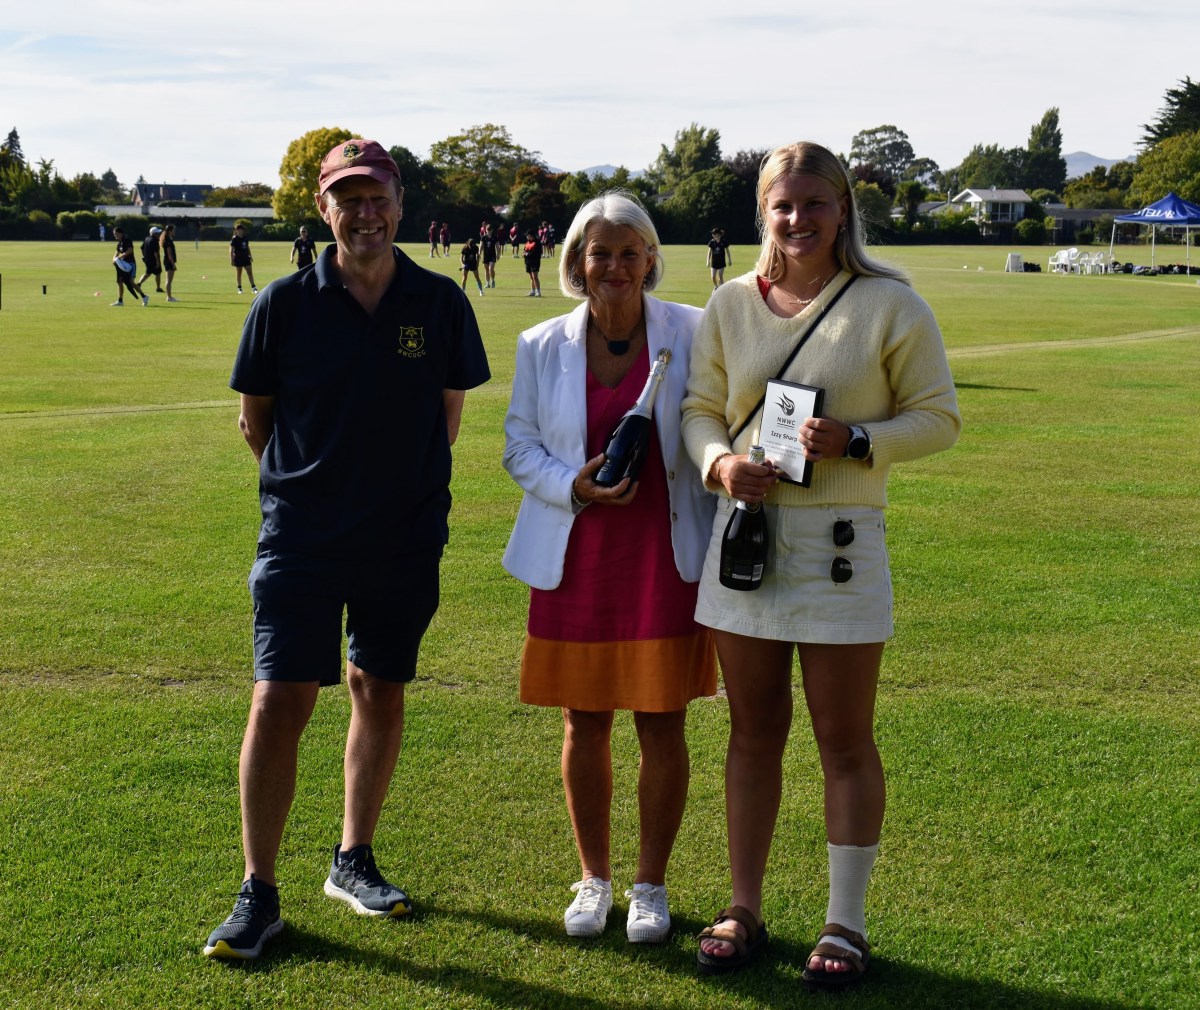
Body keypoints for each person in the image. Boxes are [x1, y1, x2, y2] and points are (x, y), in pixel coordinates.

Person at [682, 141, 961, 986]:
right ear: (760, 214)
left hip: (842, 547)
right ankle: (744, 906)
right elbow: (699, 410)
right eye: (782, 205)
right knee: (751, 734)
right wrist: (721, 465)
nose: (797, 219)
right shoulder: (729, 303)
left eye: (814, 204)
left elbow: (939, 417)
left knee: (844, 743)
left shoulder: (889, 305)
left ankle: (846, 924)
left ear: (844, 210)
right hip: (748, 541)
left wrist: (859, 440)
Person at [204, 138, 491, 962]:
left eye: (378, 198)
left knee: (379, 686)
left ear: (400, 205)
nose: (365, 214)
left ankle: (352, 859)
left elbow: (446, 415)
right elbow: (254, 420)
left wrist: (400, 495)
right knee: (279, 699)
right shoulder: (285, 303)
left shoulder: (439, 303)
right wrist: (310, 489)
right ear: (324, 209)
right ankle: (258, 891)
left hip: (402, 537)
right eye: (348, 199)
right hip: (301, 535)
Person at [502, 191, 717, 945]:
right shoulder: (541, 344)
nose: (616, 267)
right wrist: (574, 485)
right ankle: (593, 879)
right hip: (577, 556)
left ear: (652, 258)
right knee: (583, 722)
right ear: (576, 263)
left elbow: (719, 417)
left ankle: (650, 886)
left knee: (663, 722)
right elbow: (519, 446)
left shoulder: (693, 329)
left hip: (664, 556)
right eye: (601, 253)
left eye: (630, 252)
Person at [110, 226, 148, 306]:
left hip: (130, 264)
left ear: (121, 233)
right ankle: (120, 301)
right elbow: (116, 252)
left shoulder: (127, 240)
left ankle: (144, 297)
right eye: (114, 234)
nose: (115, 236)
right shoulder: (119, 242)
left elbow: (130, 251)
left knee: (131, 282)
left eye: (116, 234)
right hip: (122, 265)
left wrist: (119, 257)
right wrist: (114, 259)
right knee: (120, 282)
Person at [230, 223, 258, 294]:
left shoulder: (245, 238)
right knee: (239, 273)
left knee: (250, 272)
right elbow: (231, 250)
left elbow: (247, 247)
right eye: (241, 229)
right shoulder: (234, 239)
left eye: (243, 229)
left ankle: (253, 287)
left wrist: (250, 256)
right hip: (238, 258)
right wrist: (232, 260)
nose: (243, 231)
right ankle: (239, 288)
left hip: (246, 257)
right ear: (237, 230)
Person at [138, 226, 164, 292]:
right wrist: (158, 262)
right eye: (157, 233)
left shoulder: (147, 238)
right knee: (158, 273)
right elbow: (156, 252)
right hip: (154, 260)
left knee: (148, 273)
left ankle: (139, 284)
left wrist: (144, 256)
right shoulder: (155, 240)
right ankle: (158, 288)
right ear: (154, 234)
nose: (159, 234)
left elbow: (142, 248)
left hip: (147, 260)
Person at [161, 224, 179, 302]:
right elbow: (169, 254)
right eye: (173, 230)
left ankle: (169, 297)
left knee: (169, 280)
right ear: (170, 231)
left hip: (167, 261)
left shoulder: (168, 239)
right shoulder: (168, 241)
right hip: (169, 262)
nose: (174, 232)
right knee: (168, 280)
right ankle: (169, 297)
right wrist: (173, 264)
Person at [523, 228, 542, 297]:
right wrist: (524, 254)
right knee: (531, 277)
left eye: (527, 235)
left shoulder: (537, 242)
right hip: (528, 262)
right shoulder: (527, 242)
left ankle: (538, 292)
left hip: (535, 261)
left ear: (531, 235)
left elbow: (538, 253)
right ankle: (533, 291)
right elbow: (524, 250)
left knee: (535, 277)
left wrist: (528, 254)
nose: (526, 236)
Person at [479, 223, 498, 288]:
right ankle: (487, 283)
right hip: (485, 255)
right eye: (488, 229)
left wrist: (498, 254)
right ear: (486, 230)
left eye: (490, 229)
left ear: (492, 230)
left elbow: (497, 247)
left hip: (492, 255)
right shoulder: (483, 237)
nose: (489, 230)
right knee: (486, 269)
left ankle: (492, 280)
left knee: (491, 269)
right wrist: (479, 254)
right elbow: (481, 246)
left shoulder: (495, 237)